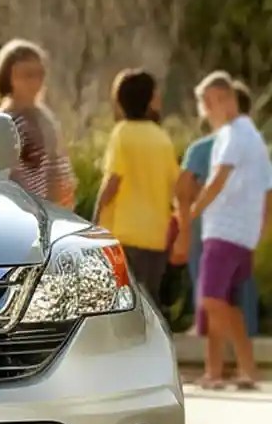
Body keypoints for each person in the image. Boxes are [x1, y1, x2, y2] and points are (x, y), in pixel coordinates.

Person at [188, 71, 270, 390]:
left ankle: (218, 372)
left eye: (210, 103)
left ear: (227, 99)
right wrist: (260, 229)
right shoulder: (252, 136)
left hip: (224, 230)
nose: (207, 111)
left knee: (210, 299)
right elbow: (268, 190)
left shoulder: (234, 135)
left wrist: (194, 209)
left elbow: (218, 179)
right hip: (241, 234)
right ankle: (239, 369)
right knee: (227, 304)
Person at [94, 69, 187, 304]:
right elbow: (177, 188)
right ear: (150, 100)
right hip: (156, 237)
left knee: (122, 300)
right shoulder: (162, 138)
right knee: (149, 298)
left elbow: (113, 181)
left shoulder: (122, 134)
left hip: (125, 234)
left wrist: (95, 217)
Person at [180, 81, 261, 338]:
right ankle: (245, 335)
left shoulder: (201, 149)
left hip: (208, 230)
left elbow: (184, 191)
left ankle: (207, 333)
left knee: (207, 282)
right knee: (242, 284)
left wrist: (185, 221)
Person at [0, 39, 77, 209]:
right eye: (27, 75)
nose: (35, 82)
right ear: (8, 77)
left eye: (39, 74)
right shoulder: (4, 123)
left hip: (45, 213)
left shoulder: (46, 120)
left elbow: (60, 178)